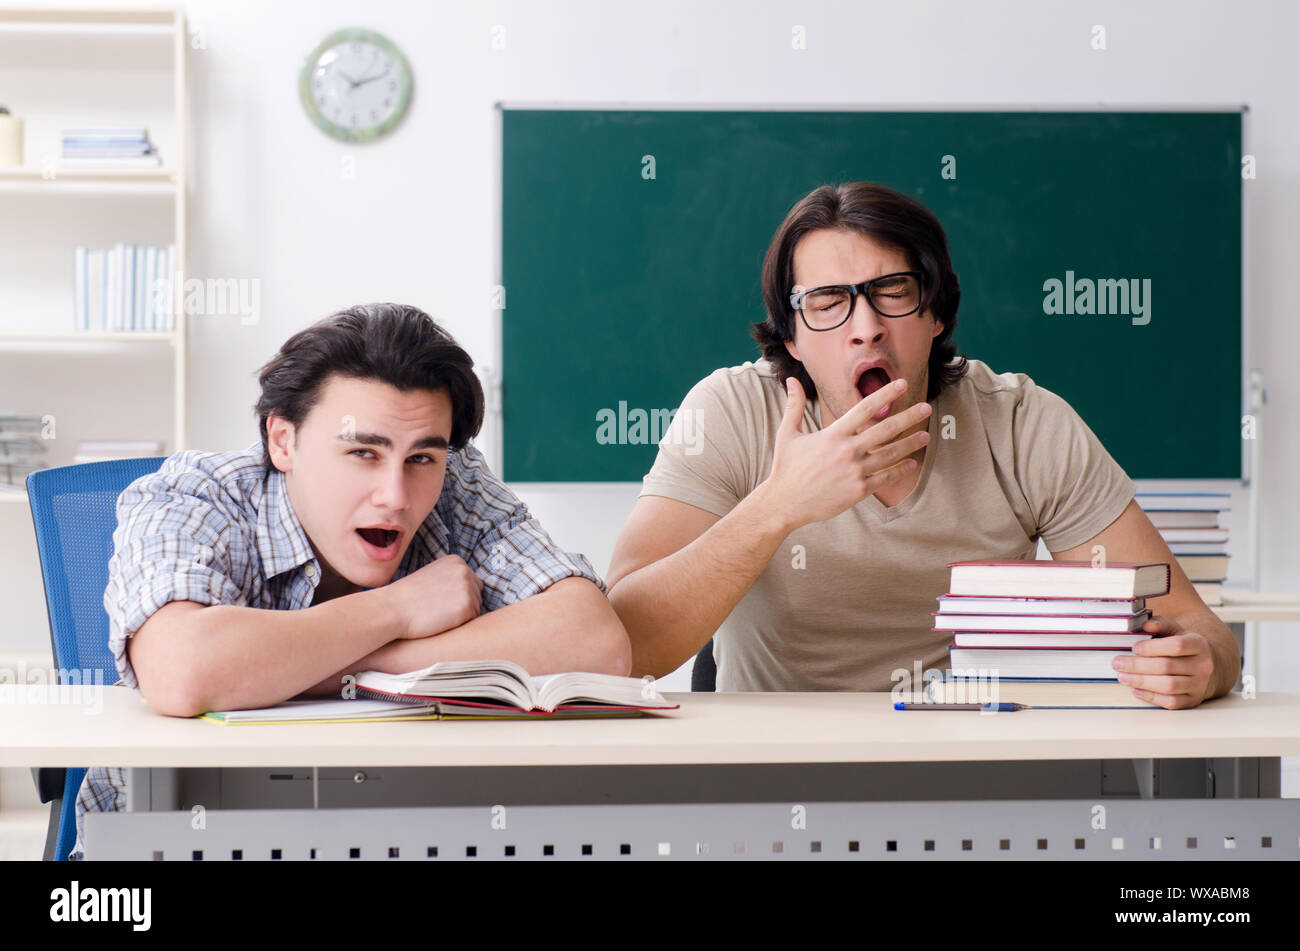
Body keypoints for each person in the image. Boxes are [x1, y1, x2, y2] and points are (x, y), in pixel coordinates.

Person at [606, 181, 1235, 709]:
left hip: (969, 768)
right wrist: (778, 505)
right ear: (790, 337)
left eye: (893, 292)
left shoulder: (1021, 424)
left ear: (935, 313)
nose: (866, 328)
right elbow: (625, 647)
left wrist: (1201, 666)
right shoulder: (731, 413)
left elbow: (1205, 632)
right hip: (774, 774)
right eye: (827, 302)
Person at [72, 302, 630, 858]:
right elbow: (183, 671)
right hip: (170, 844)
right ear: (282, 441)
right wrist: (398, 610)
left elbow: (595, 642)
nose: (395, 495)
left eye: (421, 459)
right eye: (363, 452)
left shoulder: (455, 484)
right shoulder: (193, 494)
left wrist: (307, 668)